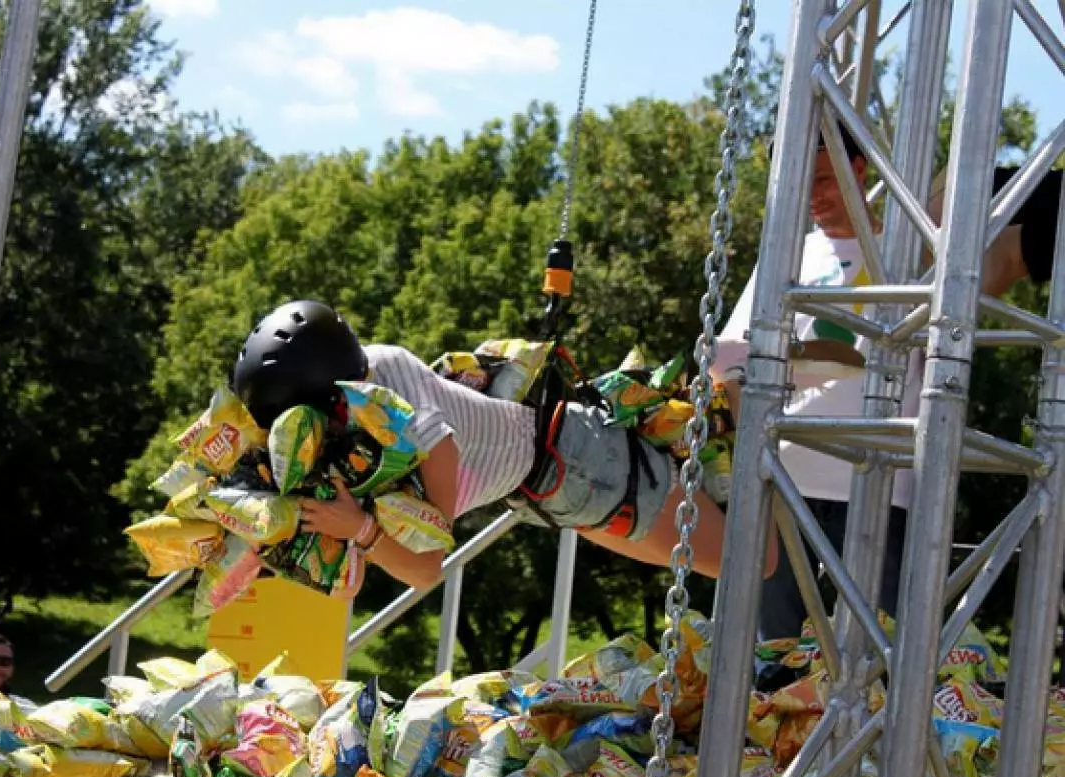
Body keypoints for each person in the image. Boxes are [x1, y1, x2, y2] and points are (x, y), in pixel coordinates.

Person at [713, 122, 1061, 646]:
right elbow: (731, 358)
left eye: (827, 179)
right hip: (783, 483)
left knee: (886, 656)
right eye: (802, 184)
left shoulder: (914, 249)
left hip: (880, 483)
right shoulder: (785, 255)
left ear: (860, 172)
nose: (814, 197)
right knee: (772, 657)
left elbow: (993, 242)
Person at [230, 300, 772, 597]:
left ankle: (746, 389)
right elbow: (347, 584)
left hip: (585, 465)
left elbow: (424, 566)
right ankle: (724, 399)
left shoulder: (412, 418)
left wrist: (358, 531)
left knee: (752, 564)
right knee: (731, 555)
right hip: (555, 488)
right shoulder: (357, 408)